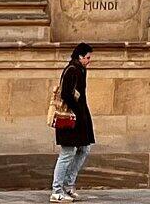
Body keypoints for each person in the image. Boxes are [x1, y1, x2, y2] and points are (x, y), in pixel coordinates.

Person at [49, 43, 93, 202]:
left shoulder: (80, 69)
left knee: (84, 149)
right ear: (80, 57)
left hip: (78, 118)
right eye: (87, 57)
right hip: (70, 119)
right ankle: (57, 190)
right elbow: (67, 95)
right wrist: (78, 111)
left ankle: (68, 184)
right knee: (67, 153)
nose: (89, 60)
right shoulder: (72, 70)